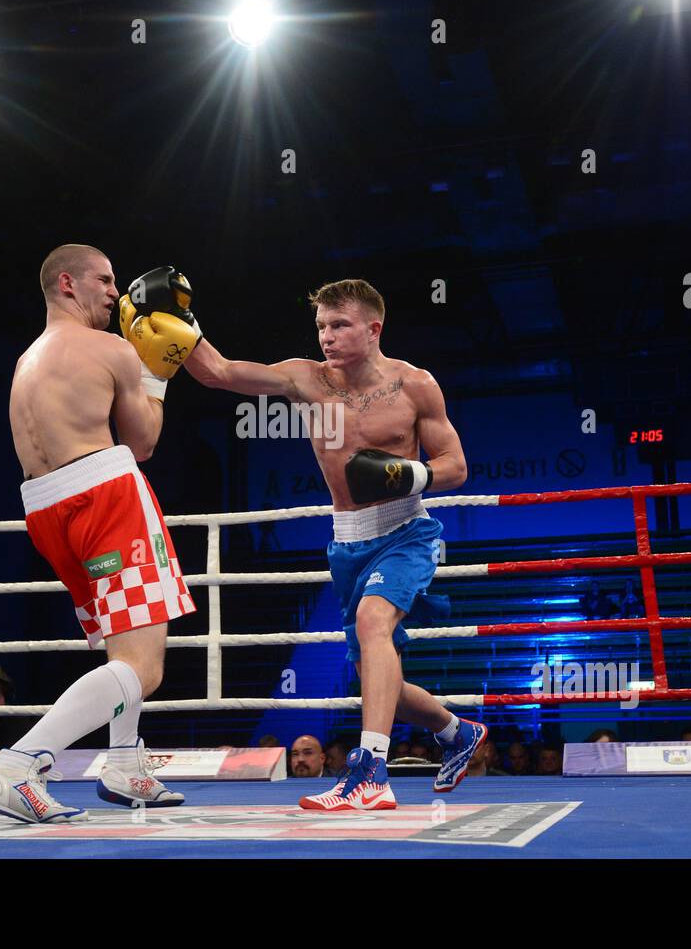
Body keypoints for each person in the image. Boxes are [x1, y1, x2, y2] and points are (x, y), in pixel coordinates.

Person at [184, 277, 483, 812]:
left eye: (339, 325)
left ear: (374, 328)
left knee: (373, 625)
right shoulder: (305, 380)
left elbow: (456, 466)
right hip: (347, 543)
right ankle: (456, 731)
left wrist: (405, 474)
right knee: (377, 670)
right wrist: (174, 320)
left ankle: (370, 772)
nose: (326, 336)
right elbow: (221, 372)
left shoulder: (416, 386)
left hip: (406, 531)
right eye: (321, 325)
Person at [0, 248, 198, 824]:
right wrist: (157, 372)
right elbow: (143, 442)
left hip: (46, 511)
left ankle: (123, 766)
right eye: (104, 280)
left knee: (121, 647)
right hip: (104, 496)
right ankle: (16, 765)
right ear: (67, 283)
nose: (114, 291)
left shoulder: (27, 361)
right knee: (143, 666)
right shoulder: (112, 349)